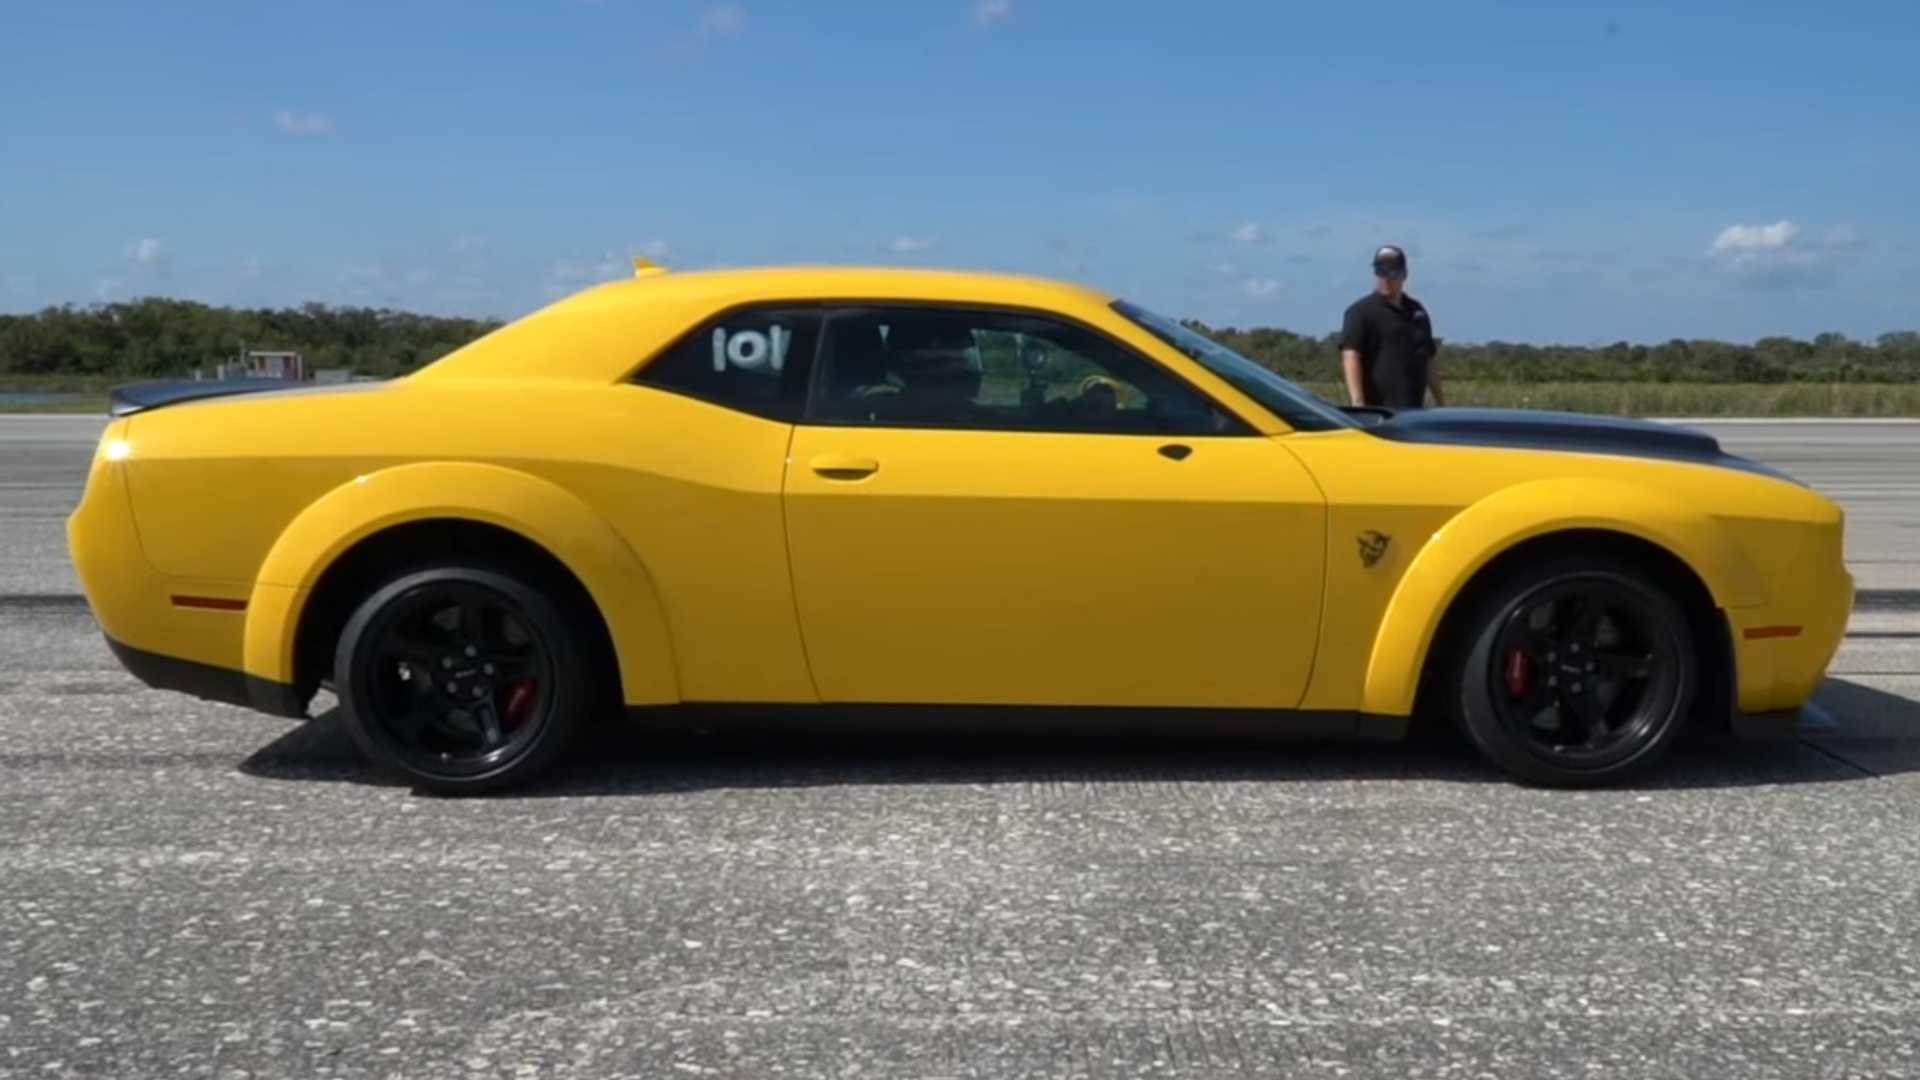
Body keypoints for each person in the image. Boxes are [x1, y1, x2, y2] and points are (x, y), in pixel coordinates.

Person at [1339, 245, 1444, 409]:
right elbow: (1350, 356)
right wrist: (1358, 404)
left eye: (1392, 273)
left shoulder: (1417, 312)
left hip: (1414, 410)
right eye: (1381, 272)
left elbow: (1428, 358)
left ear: (1404, 275)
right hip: (1379, 413)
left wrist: (1440, 402)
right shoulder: (1360, 312)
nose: (1386, 279)